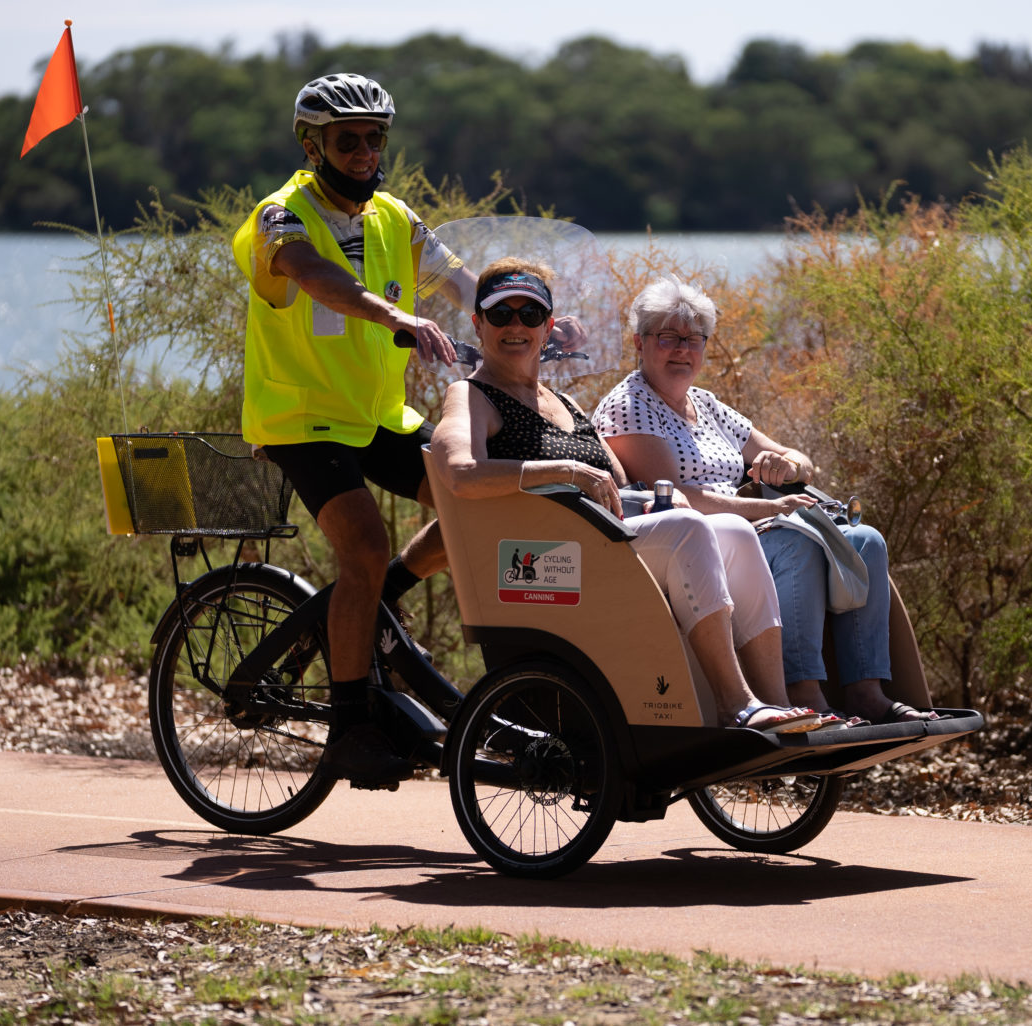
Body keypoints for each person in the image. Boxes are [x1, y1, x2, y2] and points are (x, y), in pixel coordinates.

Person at [429, 259, 826, 733]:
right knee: (688, 529)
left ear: (547, 327)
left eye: (530, 315)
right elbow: (459, 473)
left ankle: (777, 705)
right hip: (549, 553)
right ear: (478, 324)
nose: (517, 326)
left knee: (733, 531)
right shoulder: (471, 395)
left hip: (604, 537)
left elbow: (623, 488)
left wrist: (664, 498)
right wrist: (564, 469)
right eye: (501, 315)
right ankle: (735, 703)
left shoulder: (566, 403)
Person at [232, 73, 475, 785]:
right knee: (363, 547)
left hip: (375, 416)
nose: (365, 151)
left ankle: (383, 595)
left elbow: (461, 279)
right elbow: (311, 276)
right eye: (348, 140)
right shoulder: (279, 216)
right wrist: (394, 314)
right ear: (312, 145)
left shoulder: (394, 217)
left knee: (474, 500)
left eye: (375, 138)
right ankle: (349, 725)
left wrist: (523, 306)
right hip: (300, 417)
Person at [593, 277, 940, 725]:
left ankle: (865, 691)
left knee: (866, 540)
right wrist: (772, 509)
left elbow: (799, 460)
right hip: (701, 535)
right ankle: (803, 689)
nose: (682, 349)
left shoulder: (706, 403)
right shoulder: (630, 404)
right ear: (640, 344)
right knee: (796, 544)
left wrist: (785, 465)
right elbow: (682, 497)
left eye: (694, 339)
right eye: (668, 337)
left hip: (754, 522)